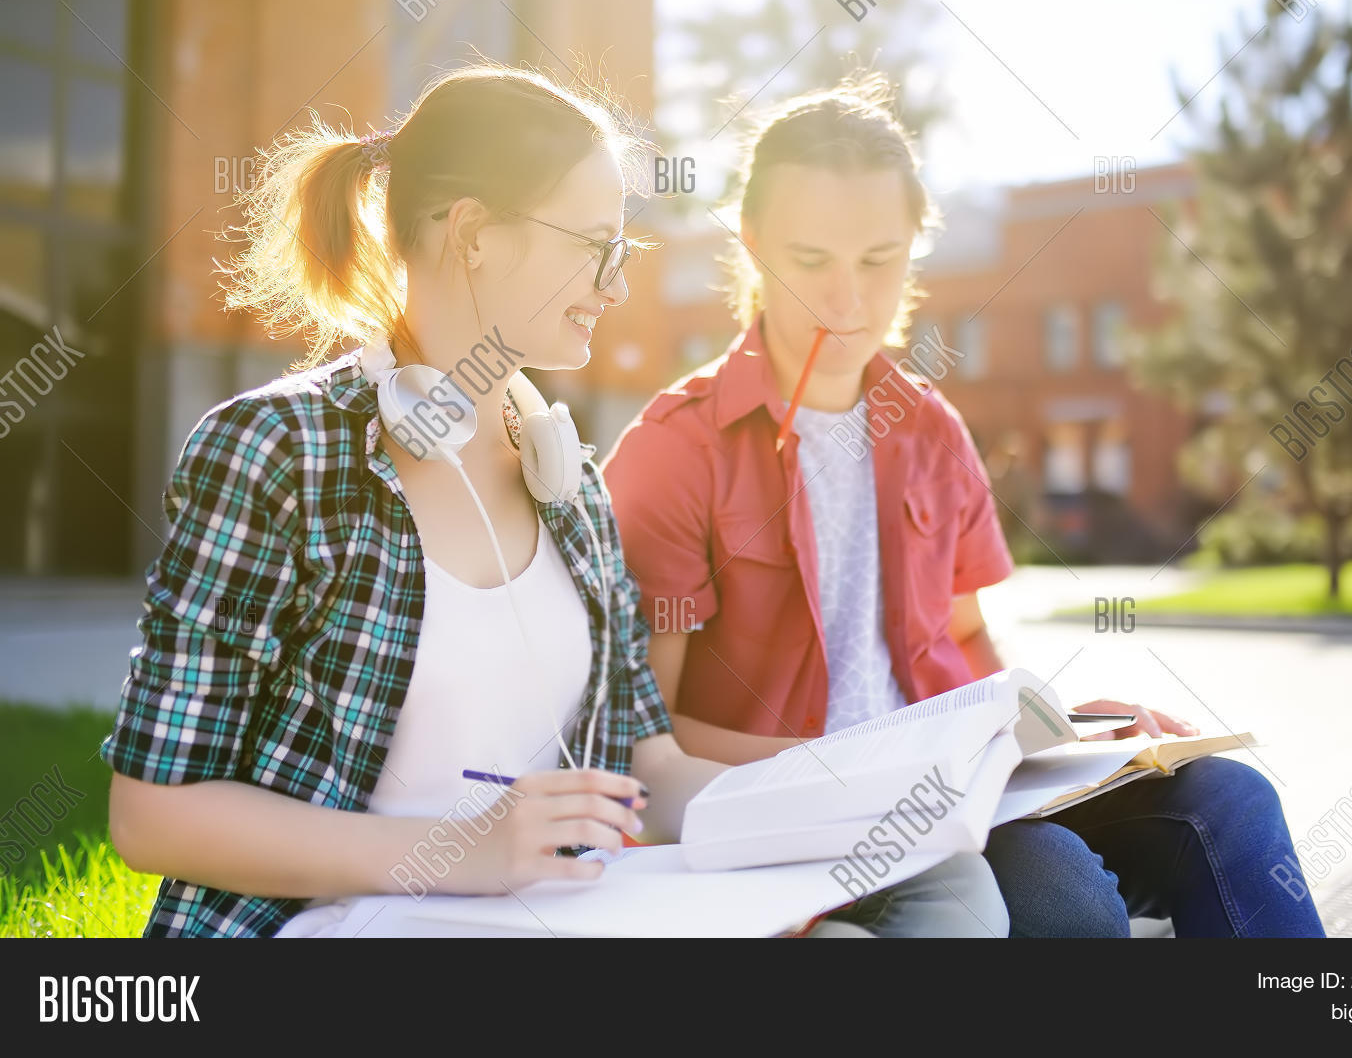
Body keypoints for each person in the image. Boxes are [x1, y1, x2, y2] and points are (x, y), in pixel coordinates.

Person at [100, 64, 1004, 938]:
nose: (616, 286)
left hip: (570, 915)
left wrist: (870, 786)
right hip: (347, 924)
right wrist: (456, 852)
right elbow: (152, 819)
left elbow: (649, 768)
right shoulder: (274, 451)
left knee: (951, 895)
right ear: (475, 234)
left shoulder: (562, 477)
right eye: (594, 247)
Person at [602, 74, 1326, 938]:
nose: (847, 300)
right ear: (753, 241)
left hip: (963, 789)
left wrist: (1075, 729)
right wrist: (856, 770)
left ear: (916, 246)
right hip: (813, 823)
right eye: (811, 261)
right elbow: (643, 734)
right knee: (1067, 900)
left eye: (879, 260)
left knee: (1231, 801)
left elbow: (968, 646)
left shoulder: (931, 430)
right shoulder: (676, 450)